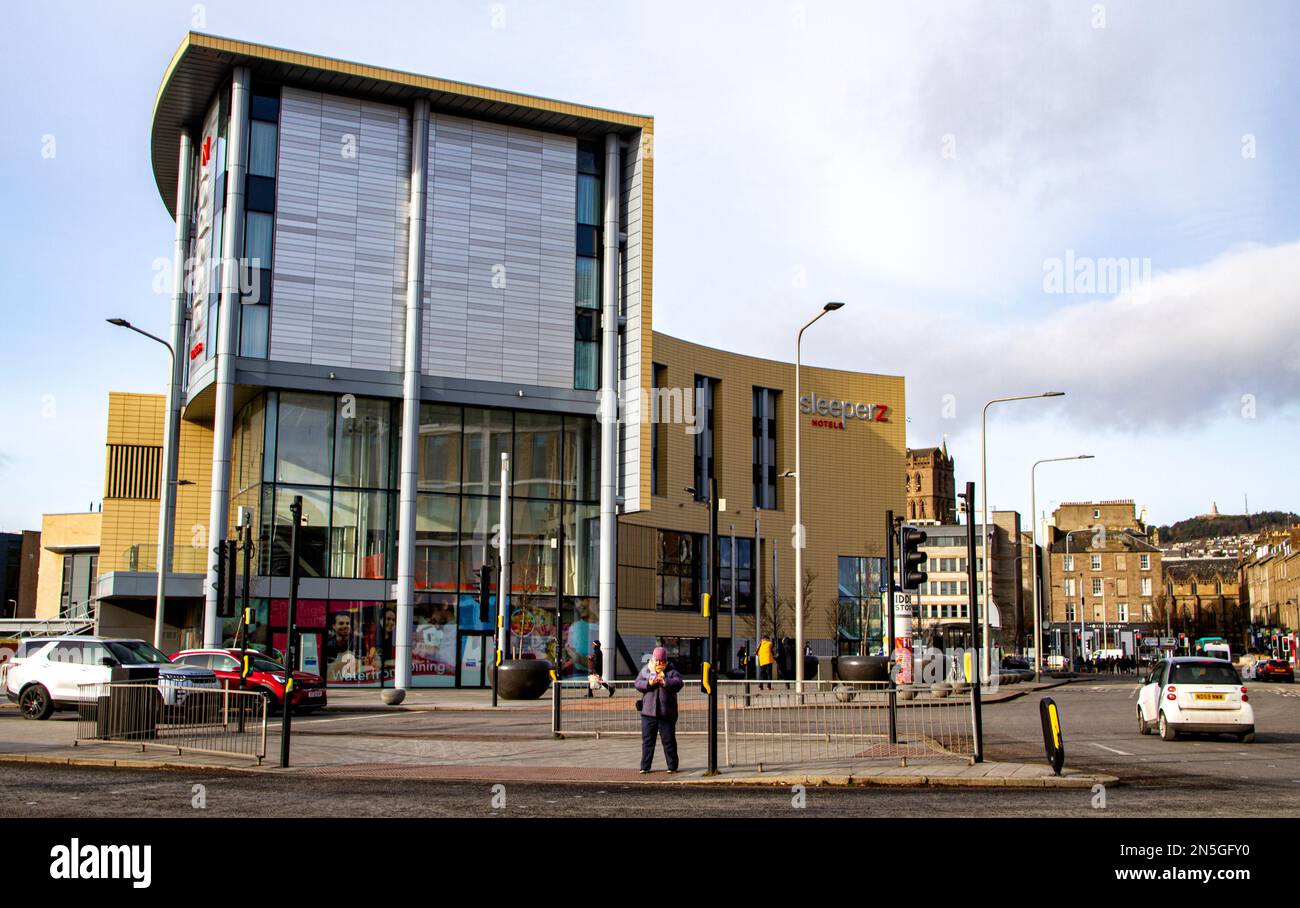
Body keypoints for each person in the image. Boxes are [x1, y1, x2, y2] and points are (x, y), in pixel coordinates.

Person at [634, 646, 684, 774]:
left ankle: (672, 766)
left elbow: (678, 683)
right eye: (656, 660)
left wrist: (664, 681)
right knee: (647, 741)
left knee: (668, 741)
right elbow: (637, 683)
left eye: (661, 661)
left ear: (665, 661)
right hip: (648, 713)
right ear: (652, 659)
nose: (658, 664)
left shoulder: (671, 671)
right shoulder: (646, 670)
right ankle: (645, 766)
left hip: (666, 713)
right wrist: (649, 684)